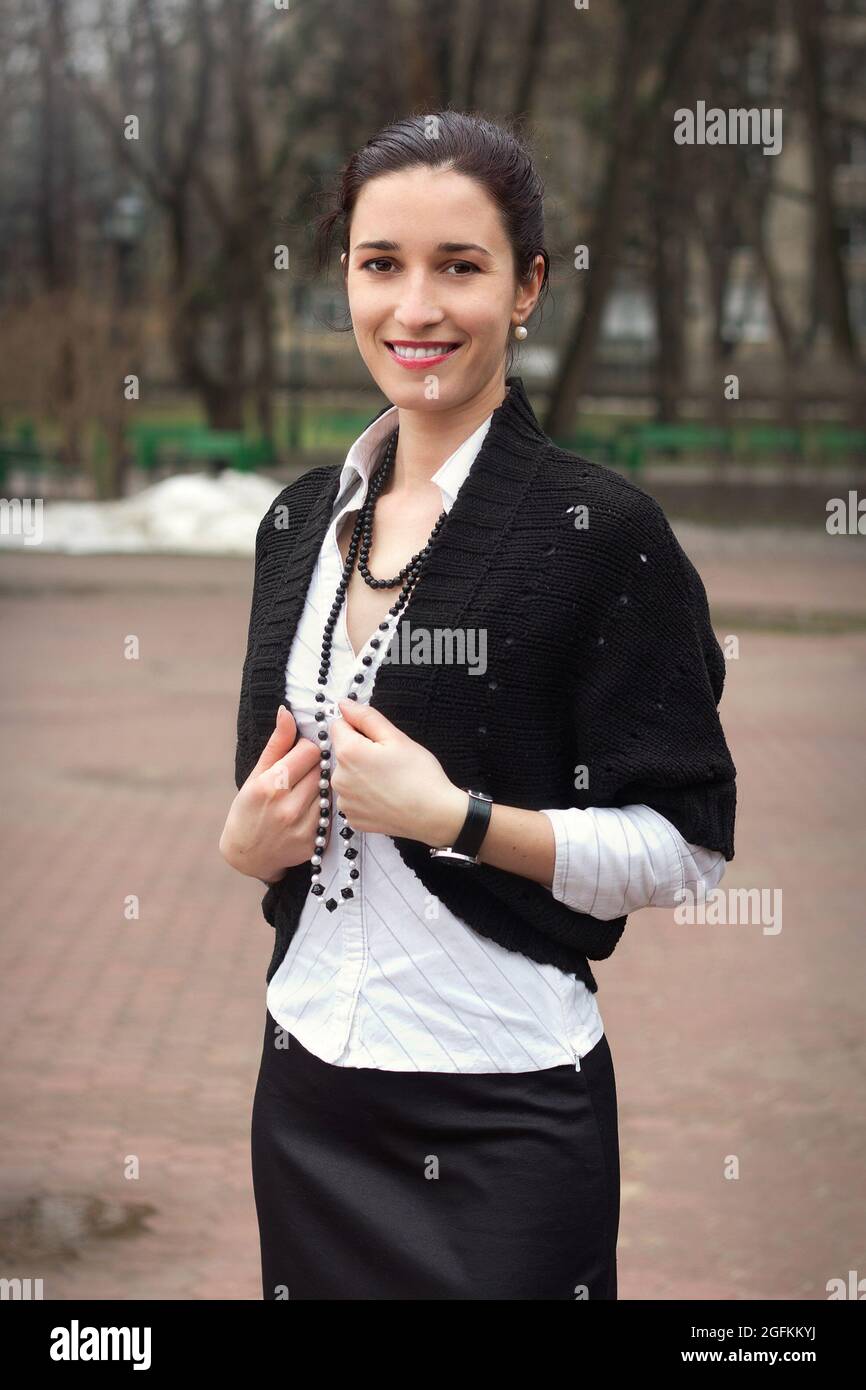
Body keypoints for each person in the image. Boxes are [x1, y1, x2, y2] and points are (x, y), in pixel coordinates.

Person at [220, 109, 737, 1301]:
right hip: (305, 1089)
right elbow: (273, 801)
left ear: (526, 288)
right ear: (343, 273)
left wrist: (459, 818)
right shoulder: (300, 524)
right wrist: (245, 846)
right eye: (379, 263)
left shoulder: (602, 535)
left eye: (459, 266)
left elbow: (684, 849)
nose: (414, 309)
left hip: (504, 1108)